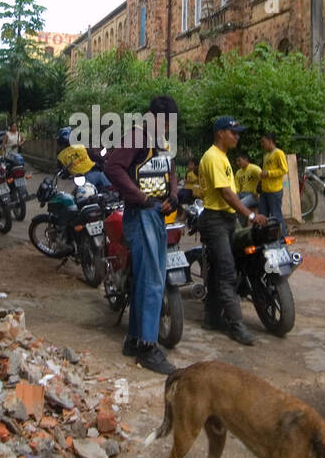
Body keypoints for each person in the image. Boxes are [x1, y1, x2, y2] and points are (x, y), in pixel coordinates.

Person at [102, 95, 181, 375]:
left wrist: (173, 195)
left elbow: (170, 169)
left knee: (146, 280)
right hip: (142, 213)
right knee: (152, 281)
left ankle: (135, 339)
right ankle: (148, 348)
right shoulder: (137, 135)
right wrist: (140, 196)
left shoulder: (161, 140)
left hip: (157, 212)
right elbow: (112, 167)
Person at [198, 116, 268, 346]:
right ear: (220, 133)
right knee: (227, 272)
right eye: (233, 132)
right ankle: (237, 326)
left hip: (226, 219)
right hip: (215, 220)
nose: (237, 136)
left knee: (221, 269)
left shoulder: (223, 157)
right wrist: (249, 215)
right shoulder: (213, 157)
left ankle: (211, 318)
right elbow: (227, 194)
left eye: (238, 133)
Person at [259, 133, 288, 231]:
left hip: (274, 191)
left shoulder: (278, 153)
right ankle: (265, 239)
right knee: (263, 216)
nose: (262, 144)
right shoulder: (266, 155)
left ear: (270, 141)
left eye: (263, 142)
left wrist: (268, 173)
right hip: (264, 190)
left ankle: (282, 238)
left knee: (276, 216)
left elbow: (284, 170)